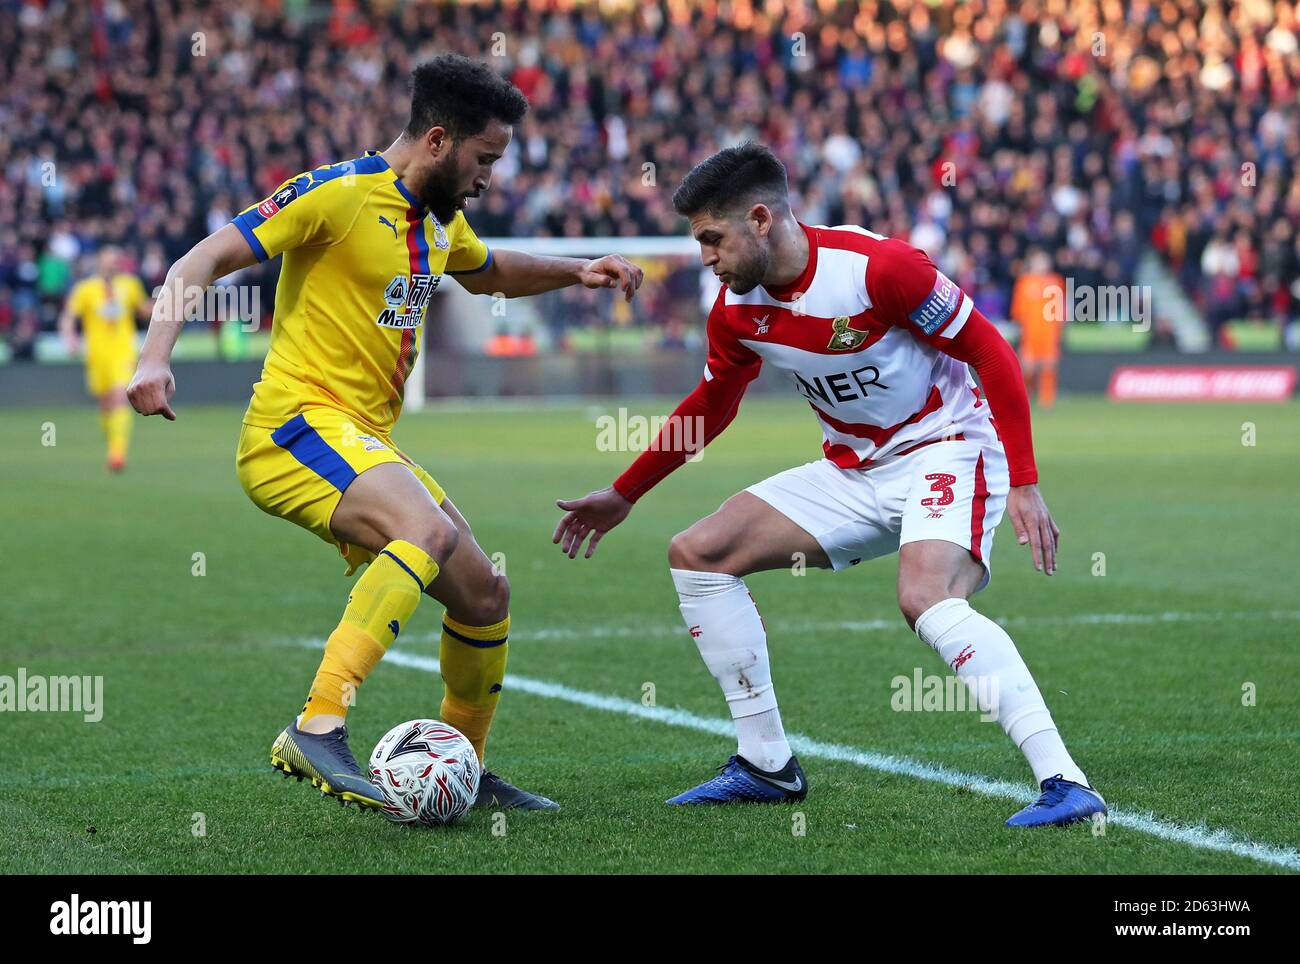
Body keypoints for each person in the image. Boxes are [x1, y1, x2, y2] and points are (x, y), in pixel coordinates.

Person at [128, 55, 643, 812]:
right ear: (438, 140)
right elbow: (204, 257)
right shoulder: (335, 195)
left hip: (365, 436)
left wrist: (578, 270)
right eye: (484, 159)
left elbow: (490, 269)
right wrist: (153, 356)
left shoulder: (439, 222)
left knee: (483, 594)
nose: (488, 177)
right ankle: (317, 723)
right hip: (292, 427)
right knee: (426, 533)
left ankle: (462, 764)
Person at [553, 143, 1104, 827]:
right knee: (697, 553)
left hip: (949, 448)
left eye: (711, 239)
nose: (705, 258)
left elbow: (988, 349)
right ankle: (766, 765)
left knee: (924, 598)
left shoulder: (882, 270)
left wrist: (1023, 479)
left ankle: (1064, 783)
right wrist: (625, 491)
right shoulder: (735, 309)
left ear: (760, 219)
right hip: (854, 469)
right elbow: (712, 406)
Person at [59, 246, 152, 472]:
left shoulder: (130, 285)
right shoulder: (85, 289)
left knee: (120, 397)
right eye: (110, 260)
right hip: (97, 355)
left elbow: (144, 311)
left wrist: (170, 301)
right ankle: (113, 444)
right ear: (99, 262)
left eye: (117, 260)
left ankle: (117, 454)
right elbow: (69, 316)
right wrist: (69, 338)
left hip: (123, 353)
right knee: (106, 404)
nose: (114, 264)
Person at [1010, 249, 1065, 409]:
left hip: (1049, 331)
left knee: (1048, 366)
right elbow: (1018, 311)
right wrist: (1021, 332)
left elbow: (1060, 309)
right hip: (1030, 332)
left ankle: (1047, 401)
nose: (1041, 265)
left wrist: (1060, 328)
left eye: (1044, 261)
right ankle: (1028, 396)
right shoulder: (1024, 282)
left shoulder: (1056, 281)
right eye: (1038, 261)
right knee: (1028, 367)